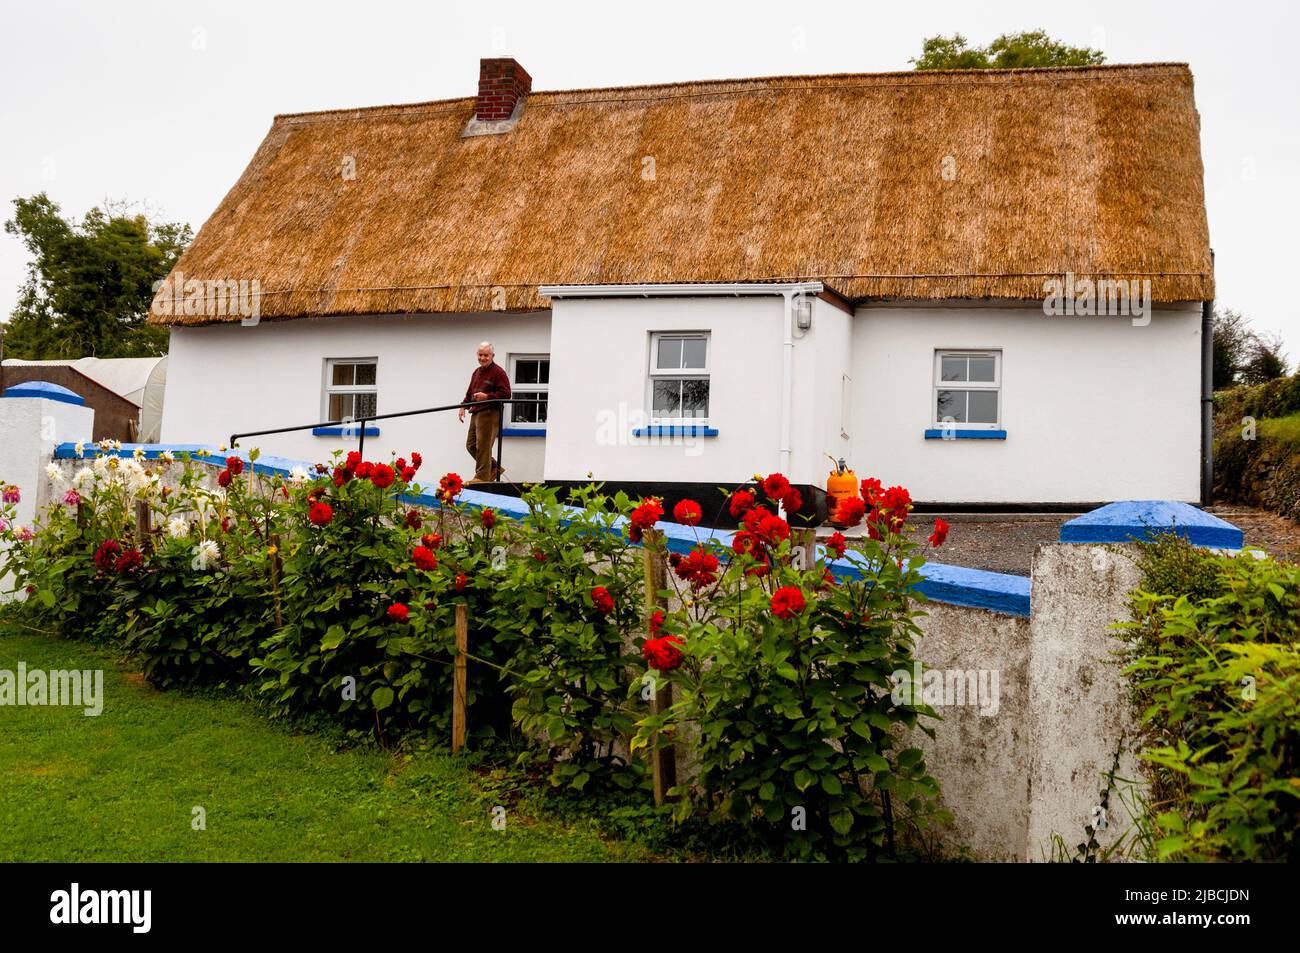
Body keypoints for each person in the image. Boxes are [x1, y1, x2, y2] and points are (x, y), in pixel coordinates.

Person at [458, 341, 511, 483]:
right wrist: (463, 406)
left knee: (483, 445)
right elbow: (470, 393)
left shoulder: (498, 372)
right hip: (476, 411)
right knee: (471, 445)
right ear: (477, 355)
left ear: (492, 355)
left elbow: (506, 394)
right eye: (480, 355)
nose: (483, 358)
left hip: (490, 413)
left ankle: (481, 477)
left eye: (486, 355)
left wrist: (487, 397)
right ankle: (493, 467)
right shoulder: (476, 372)